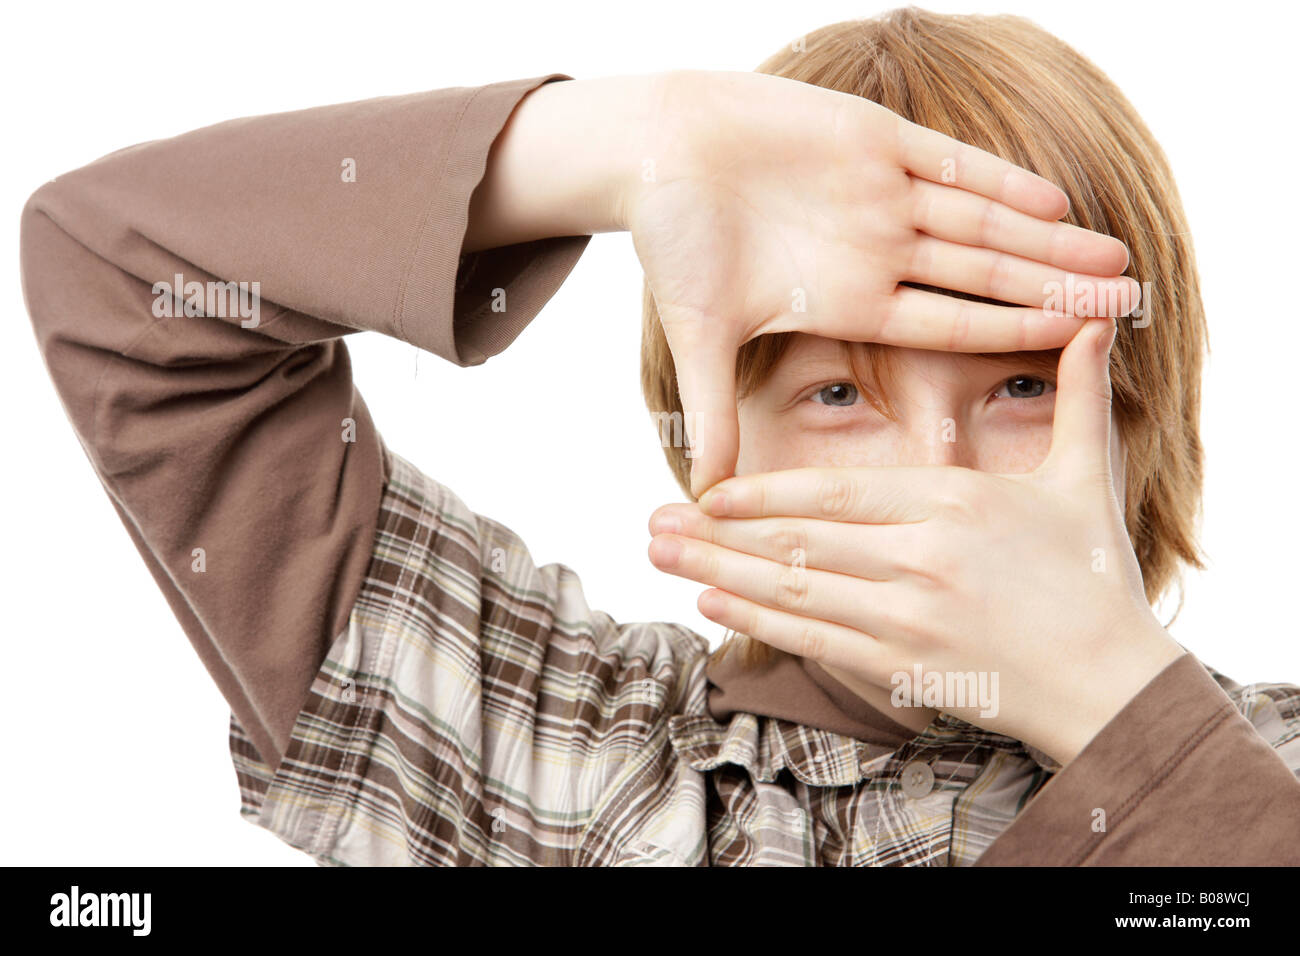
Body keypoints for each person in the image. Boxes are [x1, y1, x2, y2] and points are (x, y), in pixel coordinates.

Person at [20, 8, 1300, 865]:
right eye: (839, 396)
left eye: (1021, 388)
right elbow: (120, 275)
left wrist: (1124, 711)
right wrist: (619, 147)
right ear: (709, 439)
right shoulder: (566, 747)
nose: (938, 481)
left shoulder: (1273, 768)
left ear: (1147, 417)